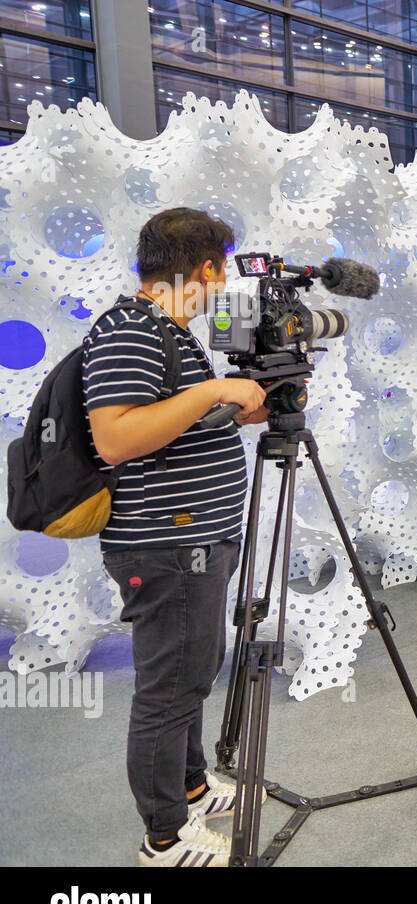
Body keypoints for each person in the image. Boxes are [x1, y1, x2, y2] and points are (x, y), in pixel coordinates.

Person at [84, 207, 269, 866]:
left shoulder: (172, 331)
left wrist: (234, 405)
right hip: (164, 544)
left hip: (195, 538)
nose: (227, 283)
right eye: (224, 265)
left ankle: (189, 786)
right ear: (205, 266)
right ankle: (164, 836)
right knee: (168, 686)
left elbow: (169, 425)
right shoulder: (131, 328)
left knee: (193, 670)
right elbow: (115, 435)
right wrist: (214, 389)